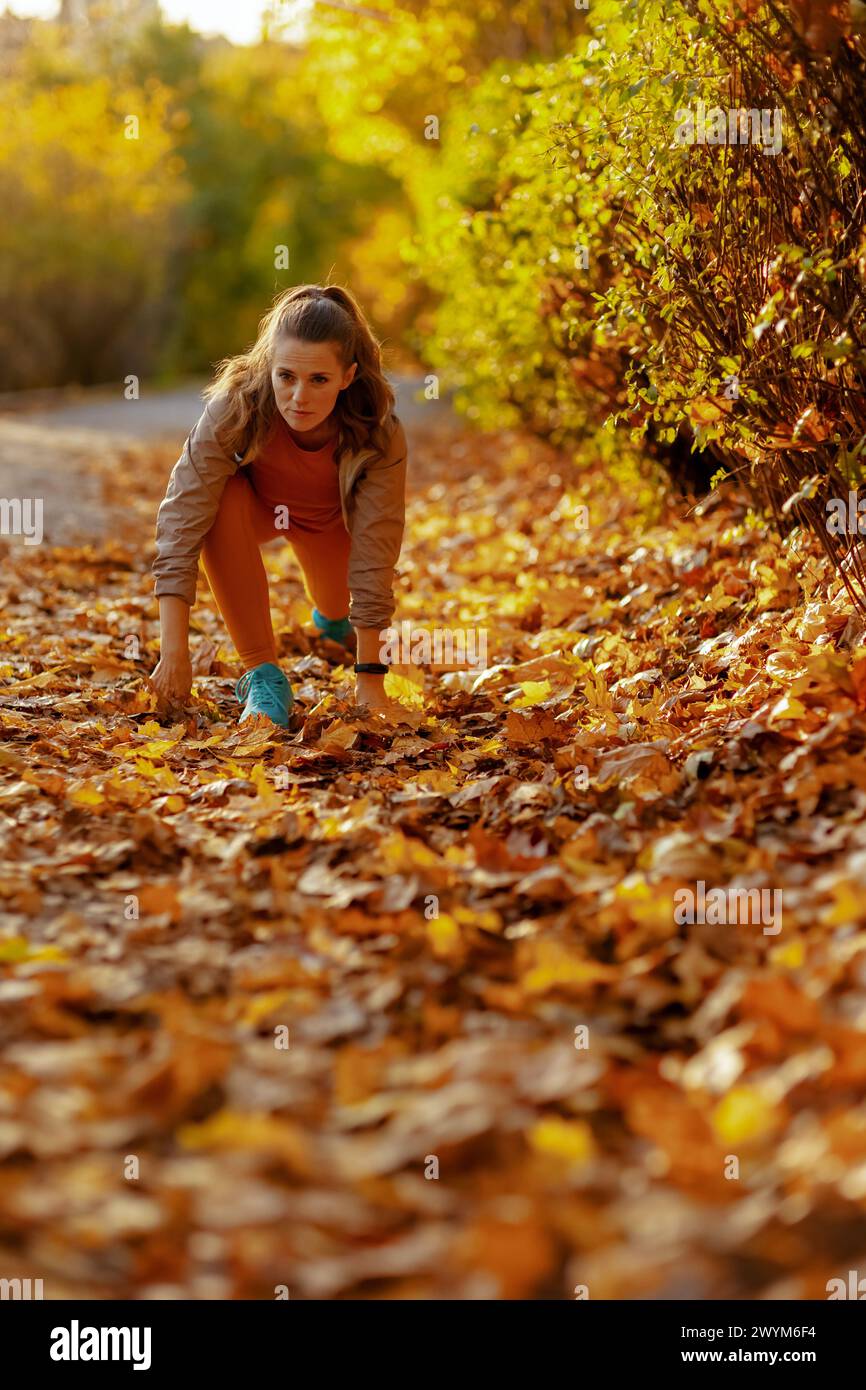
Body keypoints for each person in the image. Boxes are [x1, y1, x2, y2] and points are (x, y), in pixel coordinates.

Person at [148, 283, 408, 726]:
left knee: (335, 605)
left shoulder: (378, 432)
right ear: (270, 367)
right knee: (218, 497)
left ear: (347, 376)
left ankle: (329, 623)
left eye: (319, 380)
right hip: (257, 510)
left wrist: (370, 679)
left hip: (329, 525)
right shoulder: (236, 405)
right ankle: (263, 676)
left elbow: (376, 547)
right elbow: (182, 514)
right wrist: (174, 650)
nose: (299, 397)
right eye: (286, 376)